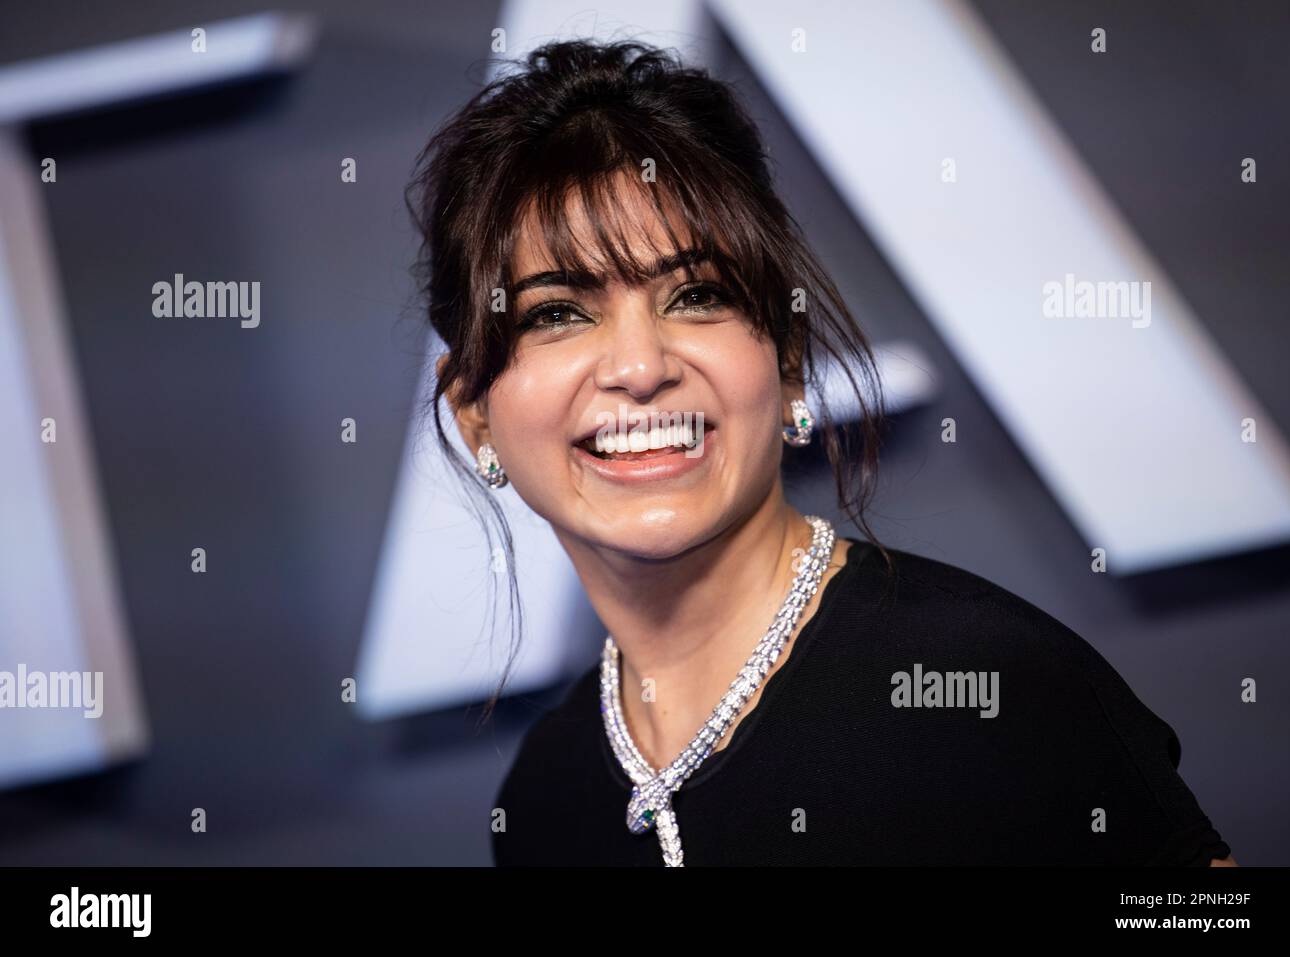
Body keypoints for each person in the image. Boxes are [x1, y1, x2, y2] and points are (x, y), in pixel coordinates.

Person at [405, 38, 1236, 866]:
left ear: (789, 363)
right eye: (558, 312)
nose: (641, 367)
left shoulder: (981, 686)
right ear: (474, 412)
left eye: (697, 296)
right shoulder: (544, 797)